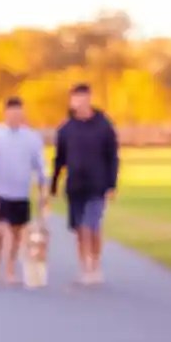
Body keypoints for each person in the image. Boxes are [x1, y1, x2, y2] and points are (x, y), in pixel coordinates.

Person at [51, 83, 119, 284]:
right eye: (75, 99)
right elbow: (60, 159)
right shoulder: (66, 129)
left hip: (97, 185)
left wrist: (112, 185)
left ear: (89, 99)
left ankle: (95, 265)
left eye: (82, 98)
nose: (78, 103)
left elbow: (112, 156)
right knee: (80, 228)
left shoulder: (104, 125)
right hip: (75, 186)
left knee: (92, 225)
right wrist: (54, 184)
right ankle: (84, 267)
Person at [0, 96, 47, 284]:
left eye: (19, 113)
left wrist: (43, 192)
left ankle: (10, 268)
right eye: (12, 113)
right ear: (5, 114)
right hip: (0, 192)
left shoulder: (32, 138)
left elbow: (40, 168)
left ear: (23, 114)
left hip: (21, 193)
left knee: (17, 234)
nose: (15, 117)